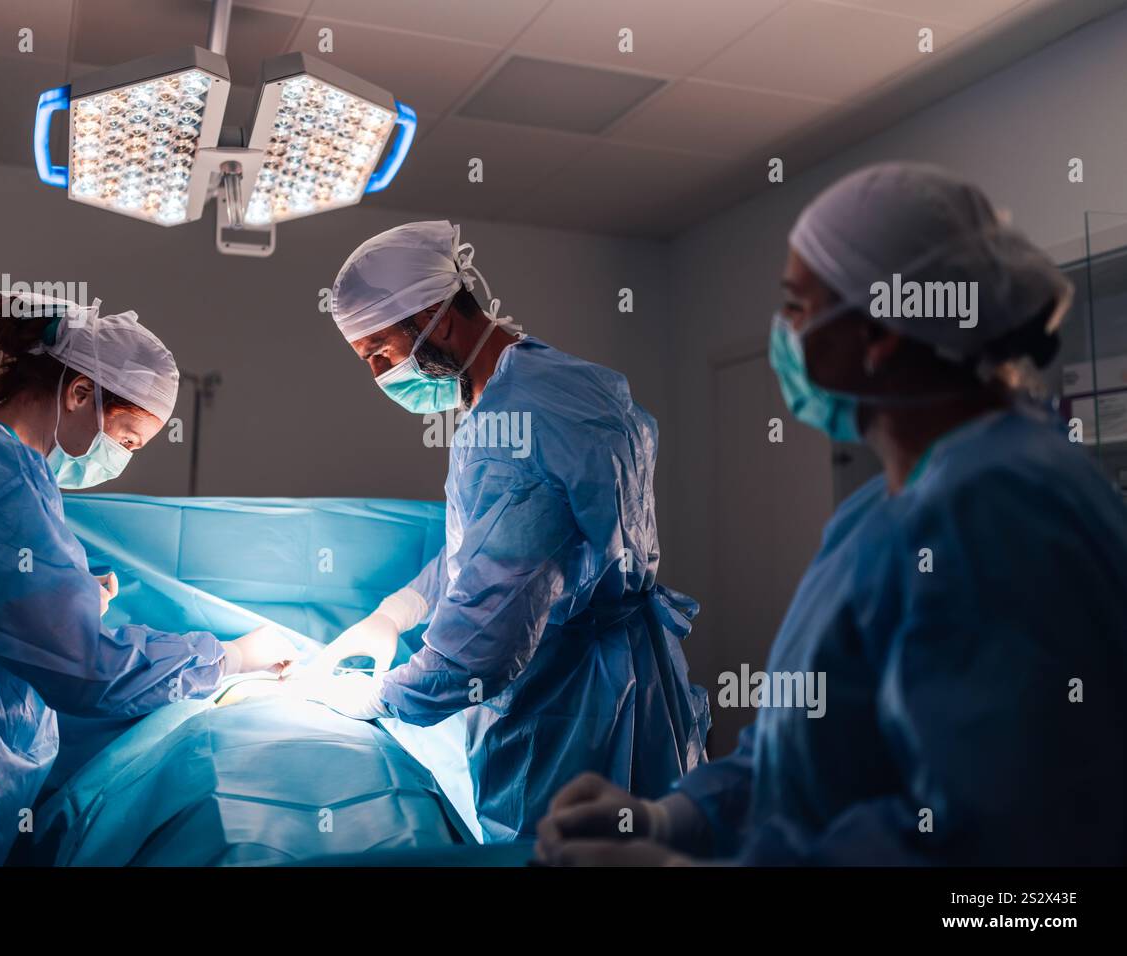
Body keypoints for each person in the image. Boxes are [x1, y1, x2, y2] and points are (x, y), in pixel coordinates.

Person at [537, 161, 1127, 866]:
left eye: (797, 306)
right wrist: (670, 820)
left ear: (879, 333)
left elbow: (1001, 864)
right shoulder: (874, 516)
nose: (783, 332)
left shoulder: (1001, 507)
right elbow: (800, 748)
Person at [0, 293, 297, 865]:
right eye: (126, 439)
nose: (122, 457)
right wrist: (228, 658)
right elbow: (85, 669)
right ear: (79, 393)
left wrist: (67, 599)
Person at [302, 221, 709, 842]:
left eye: (380, 353)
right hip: (631, 682)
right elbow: (503, 542)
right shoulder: (559, 383)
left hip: (570, 709)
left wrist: (379, 697)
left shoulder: (515, 423)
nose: (381, 375)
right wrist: (400, 609)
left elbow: (486, 642)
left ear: (435, 319)